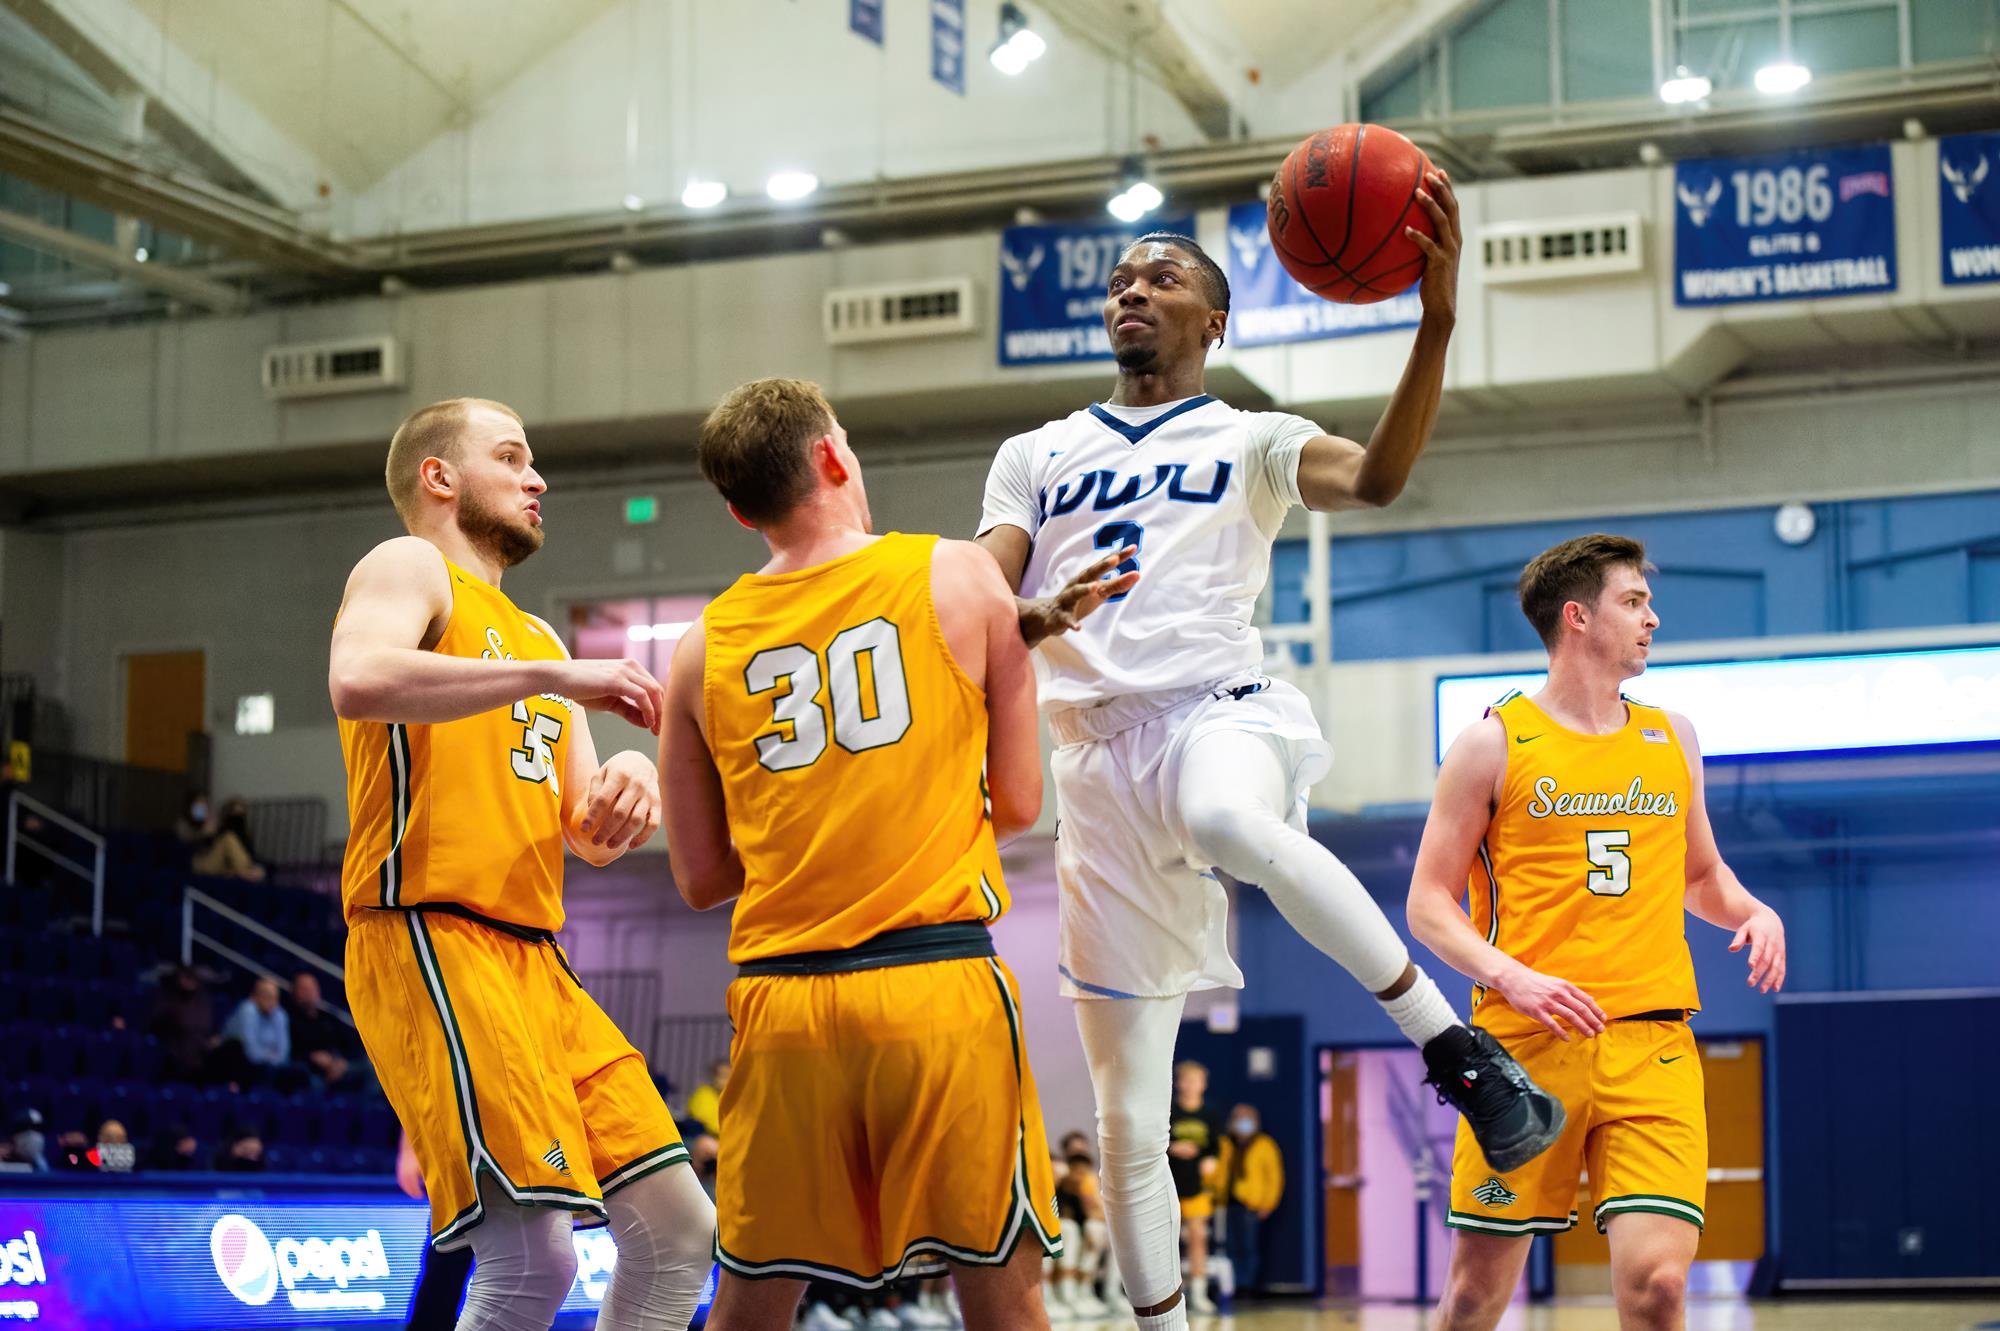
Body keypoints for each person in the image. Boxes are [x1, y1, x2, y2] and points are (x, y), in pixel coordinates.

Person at [973, 181, 1562, 1329]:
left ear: (1215, 321)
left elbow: (1379, 480)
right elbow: (978, 590)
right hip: (1092, 758)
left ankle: (1456, 1053)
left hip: (1214, 705)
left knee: (1235, 821)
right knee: (1128, 1112)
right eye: (1120, 278)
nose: (1132, 288)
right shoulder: (1033, 452)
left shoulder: (1253, 435)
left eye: (1163, 276)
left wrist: (1433, 322)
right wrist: (1022, 614)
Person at [660, 377, 1063, 1330]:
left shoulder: (697, 648)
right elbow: (1018, 803)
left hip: (784, 1007)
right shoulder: (962, 577)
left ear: (737, 507)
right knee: (1003, 1295)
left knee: (752, 1306)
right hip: (935, 987)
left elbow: (701, 877)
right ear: (834, 457)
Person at [328, 395, 715, 1331]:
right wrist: (559, 678)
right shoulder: (409, 564)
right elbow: (357, 676)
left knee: (680, 1229)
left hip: (538, 961)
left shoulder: (537, 641)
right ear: (440, 476)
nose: (538, 478)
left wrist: (628, 778)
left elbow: (586, 829)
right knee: (533, 1252)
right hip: (430, 930)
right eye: (512, 457)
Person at [1407, 534, 1787, 1331]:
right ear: (1578, 617)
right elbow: (1428, 904)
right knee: (1475, 1297)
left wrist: (1753, 910)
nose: (1654, 616)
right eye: (1635, 600)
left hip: (1650, 1043)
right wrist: (1512, 975)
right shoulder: (1492, 742)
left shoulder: (1672, 737)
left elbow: (1699, 876)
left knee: (1659, 1287)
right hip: (1524, 1045)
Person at [398, 1132, 476, 1330]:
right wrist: (411, 1147)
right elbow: (417, 1099)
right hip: (463, 1156)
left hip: (529, 1154)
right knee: (448, 1263)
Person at [1165, 1062, 1222, 1313]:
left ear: (1203, 1084)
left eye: (1196, 1080)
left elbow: (1215, 1148)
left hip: (1197, 1185)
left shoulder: (1210, 1113)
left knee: (1198, 1236)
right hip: (1171, 1183)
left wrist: (1211, 1160)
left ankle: (1198, 1292)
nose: (1191, 1085)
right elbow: (1157, 1142)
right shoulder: (1170, 1111)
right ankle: (1168, 1293)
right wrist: (1172, 1147)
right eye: (1186, 1080)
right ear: (1179, 1082)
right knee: (1167, 1239)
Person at [1213, 1104, 1282, 1296]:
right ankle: (1230, 1285)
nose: (1243, 1123)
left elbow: (1274, 1177)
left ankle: (1246, 1285)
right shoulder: (1225, 1144)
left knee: (1248, 1247)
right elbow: (1217, 1172)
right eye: (1239, 1118)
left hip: (1251, 1204)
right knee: (1229, 1246)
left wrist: (1268, 1203)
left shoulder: (1264, 1144)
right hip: (1227, 1203)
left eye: (1247, 1118)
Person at [1049, 1132, 1111, 1319]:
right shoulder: (1057, 1182)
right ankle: (1058, 1294)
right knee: (1068, 1229)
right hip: (1050, 1231)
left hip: (1075, 1230)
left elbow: (1091, 1214)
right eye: (1074, 1168)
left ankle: (1084, 1291)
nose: (1078, 1174)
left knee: (1095, 1230)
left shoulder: (1084, 1187)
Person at [146, 964, 216, 1081]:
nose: (189, 982)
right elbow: (153, 1024)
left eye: (192, 978)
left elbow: (207, 1029)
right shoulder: (167, 1001)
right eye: (186, 977)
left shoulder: (202, 1003)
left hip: (201, 1057)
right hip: (175, 1055)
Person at [219, 975, 291, 1079]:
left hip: (267, 1067)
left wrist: (269, 1058)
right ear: (254, 996)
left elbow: (284, 1054)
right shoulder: (248, 1010)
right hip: (235, 1063)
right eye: (266, 996)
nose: (271, 1002)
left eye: (274, 998)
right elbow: (251, 1052)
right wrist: (269, 1055)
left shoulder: (280, 1014)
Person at [685, 1058, 728, 1138]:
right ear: (713, 1076)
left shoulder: (734, 1099)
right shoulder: (703, 1094)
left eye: (727, 1076)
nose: (725, 1080)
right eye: (721, 1075)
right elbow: (707, 1123)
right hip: (704, 1137)